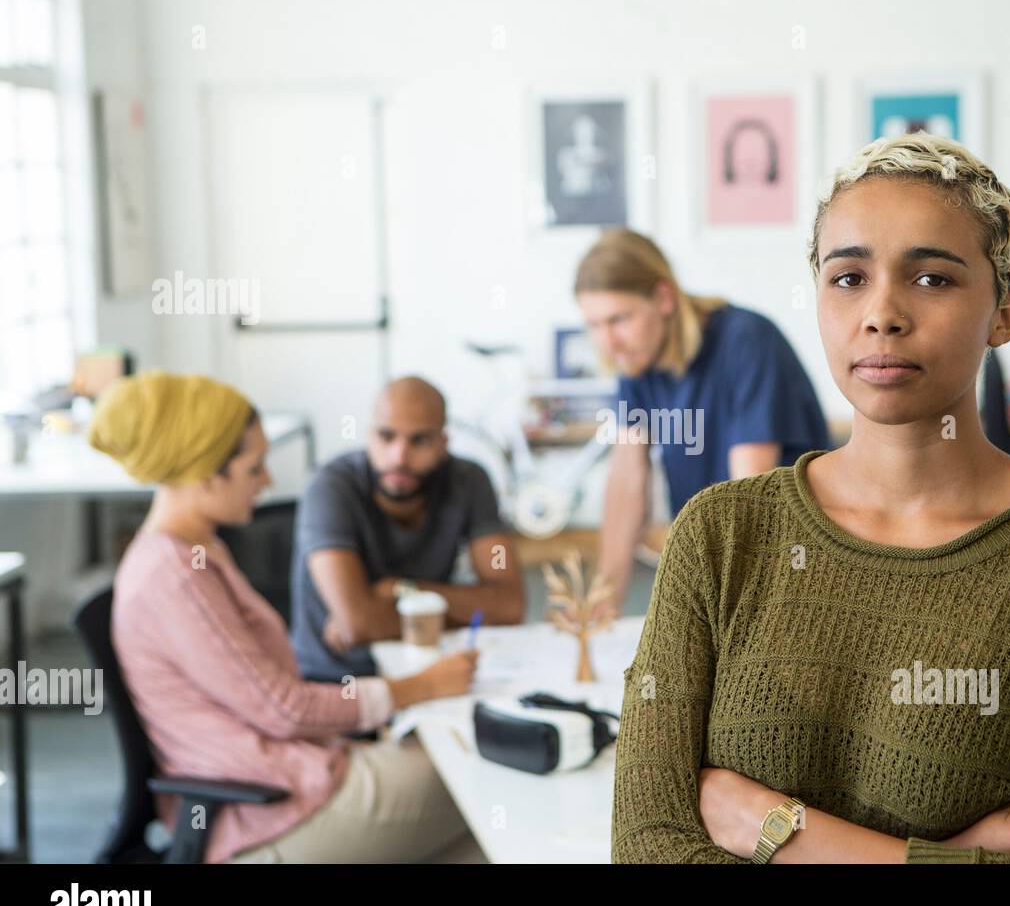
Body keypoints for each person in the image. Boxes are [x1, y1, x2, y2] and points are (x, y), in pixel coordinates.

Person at [611, 132, 1010, 863]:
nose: (882, 314)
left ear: (1004, 313)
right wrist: (957, 854)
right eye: (848, 278)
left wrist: (779, 832)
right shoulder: (720, 534)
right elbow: (647, 847)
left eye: (933, 279)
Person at [89, 370, 477, 863]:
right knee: (476, 775)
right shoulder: (178, 575)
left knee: (473, 846)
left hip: (285, 779)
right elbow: (284, 708)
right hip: (264, 814)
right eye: (255, 468)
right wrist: (416, 688)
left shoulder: (196, 548)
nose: (269, 481)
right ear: (207, 475)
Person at [575, 228, 830, 617]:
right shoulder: (636, 364)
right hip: (719, 559)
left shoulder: (746, 340)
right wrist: (603, 599)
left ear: (662, 297)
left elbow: (745, 494)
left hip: (790, 564)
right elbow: (626, 483)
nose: (607, 341)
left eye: (619, 319)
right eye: (594, 325)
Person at [290, 377, 524, 683]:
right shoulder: (331, 486)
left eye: (419, 440)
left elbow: (509, 606)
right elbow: (357, 626)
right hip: (338, 683)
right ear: (369, 434)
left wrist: (403, 589)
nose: (399, 457)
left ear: (444, 441)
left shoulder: (470, 481)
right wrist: (451, 609)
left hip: (427, 672)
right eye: (386, 436)